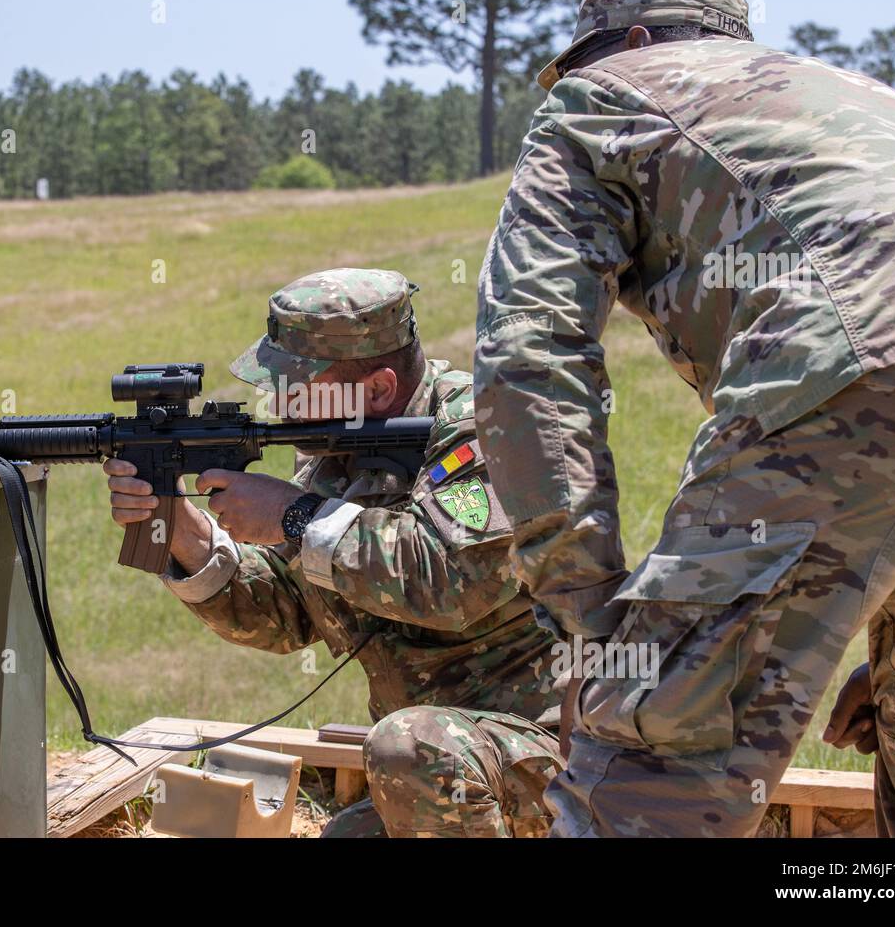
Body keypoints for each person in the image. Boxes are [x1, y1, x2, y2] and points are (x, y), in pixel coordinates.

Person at [474, 0, 895, 837]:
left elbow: (530, 354)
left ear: (623, 44)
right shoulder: (868, 96)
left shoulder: (598, 97)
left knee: (644, 773)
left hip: (853, 362)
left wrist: (600, 625)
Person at [104, 267, 561, 836]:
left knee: (407, 747)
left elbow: (450, 584)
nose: (279, 401)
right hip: (442, 765)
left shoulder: (486, 433)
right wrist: (185, 535)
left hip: (547, 754)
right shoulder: (331, 455)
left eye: (298, 386)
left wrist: (297, 516)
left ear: (376, 389)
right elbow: (288, 616)